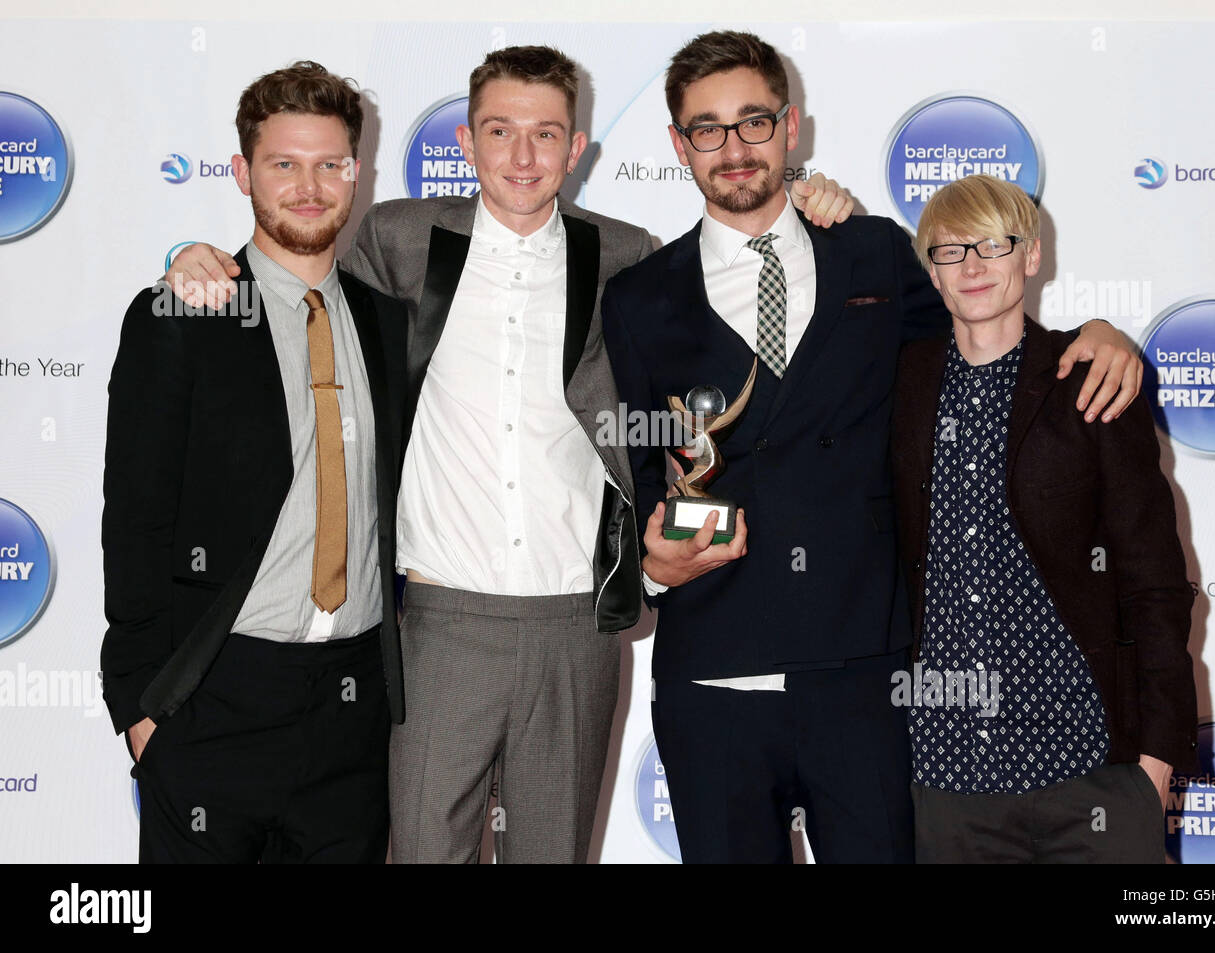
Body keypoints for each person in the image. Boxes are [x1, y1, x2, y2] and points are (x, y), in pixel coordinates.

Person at [163, 45, 855, 863]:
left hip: (577, 625)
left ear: (577, 148)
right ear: (466, 142)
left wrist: (812, 207)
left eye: (545, 134)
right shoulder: (400, 238)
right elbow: (298, 285)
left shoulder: (627, 255)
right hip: (437, 623)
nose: (523, 157)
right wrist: (199, 259)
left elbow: (729, 298)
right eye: (500, 131)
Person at [600, 30, 1145, 863]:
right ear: (679, 144)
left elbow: (988, 342)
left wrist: (1096, 336)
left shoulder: (878, 252)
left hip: (866, 676)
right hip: (714, 673)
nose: (735, 147)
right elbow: (636, 478)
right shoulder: (639, 297)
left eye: (754, 122)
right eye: (707, 128)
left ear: (791, 126)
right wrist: (649, 569)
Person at [101, 61, 408, 863]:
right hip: (213, 701)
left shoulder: (389, 324)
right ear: (241, 173)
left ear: (356, 171)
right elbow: (134, 519)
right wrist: (140, 707)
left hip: (354, 712)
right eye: (283, 164)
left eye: (329, 163)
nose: (308, 187)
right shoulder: (181, 314)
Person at [891, 174, 1197, 863]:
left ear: (1030, 255)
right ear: (930, 271)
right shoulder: (901, 382)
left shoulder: (1089, 378)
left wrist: (1155, 764)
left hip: (1093, 769)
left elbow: (1155, 580)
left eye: (991, 246)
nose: (971, 266)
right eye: (949, 251)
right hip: (948, 780)